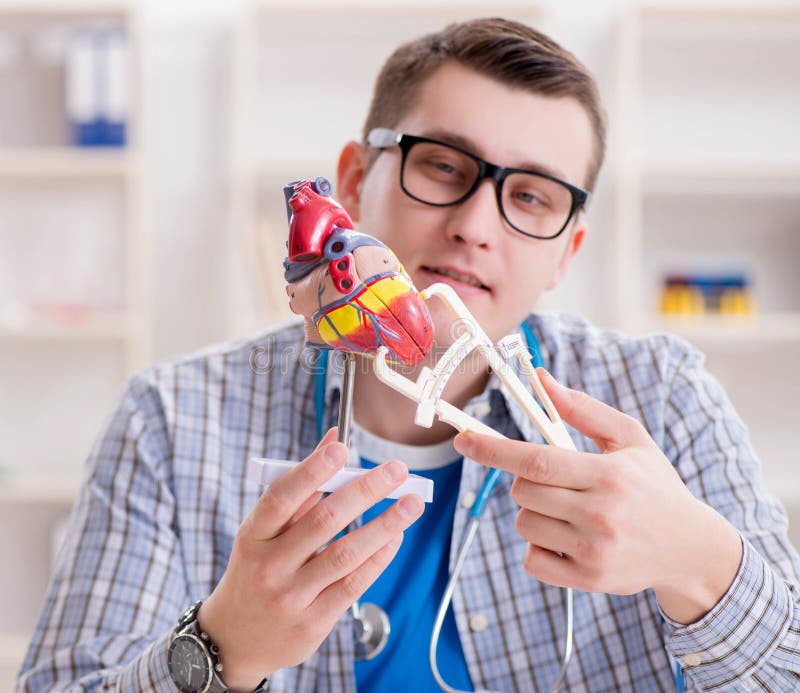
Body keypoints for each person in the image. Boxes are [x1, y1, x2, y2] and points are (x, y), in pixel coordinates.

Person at [17, 17, 800, 693]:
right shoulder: (171, 420)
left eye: (531, 197)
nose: (474, 227)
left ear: (567, 250)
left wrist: (702, 565)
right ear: (354, 182)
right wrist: (222, 646)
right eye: (443, 167)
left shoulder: (662, 396)